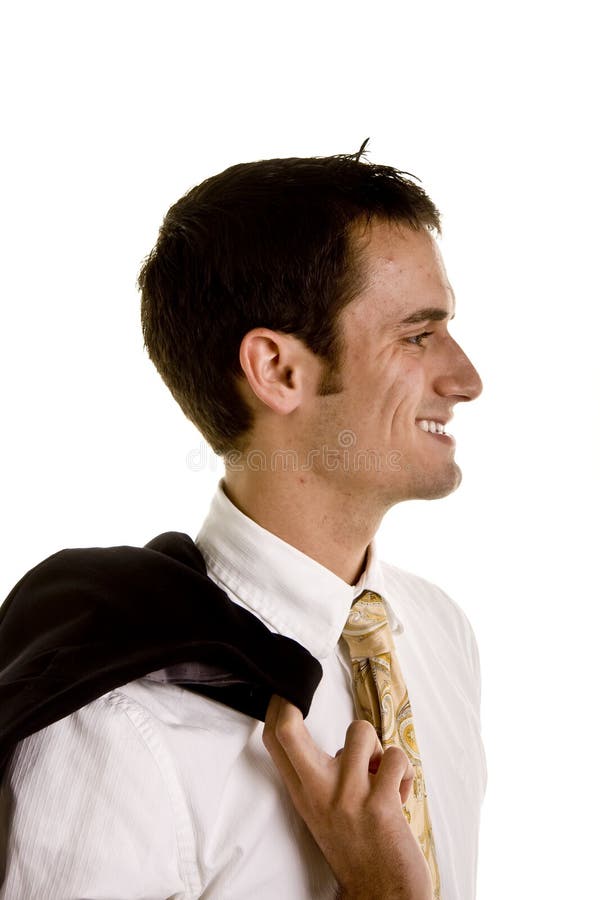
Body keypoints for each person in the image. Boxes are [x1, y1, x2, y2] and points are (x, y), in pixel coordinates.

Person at [0, 143, 486, 899]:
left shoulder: (439, 632)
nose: (467, 379)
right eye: (418, 336)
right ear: (278, 371)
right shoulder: (115, 728)